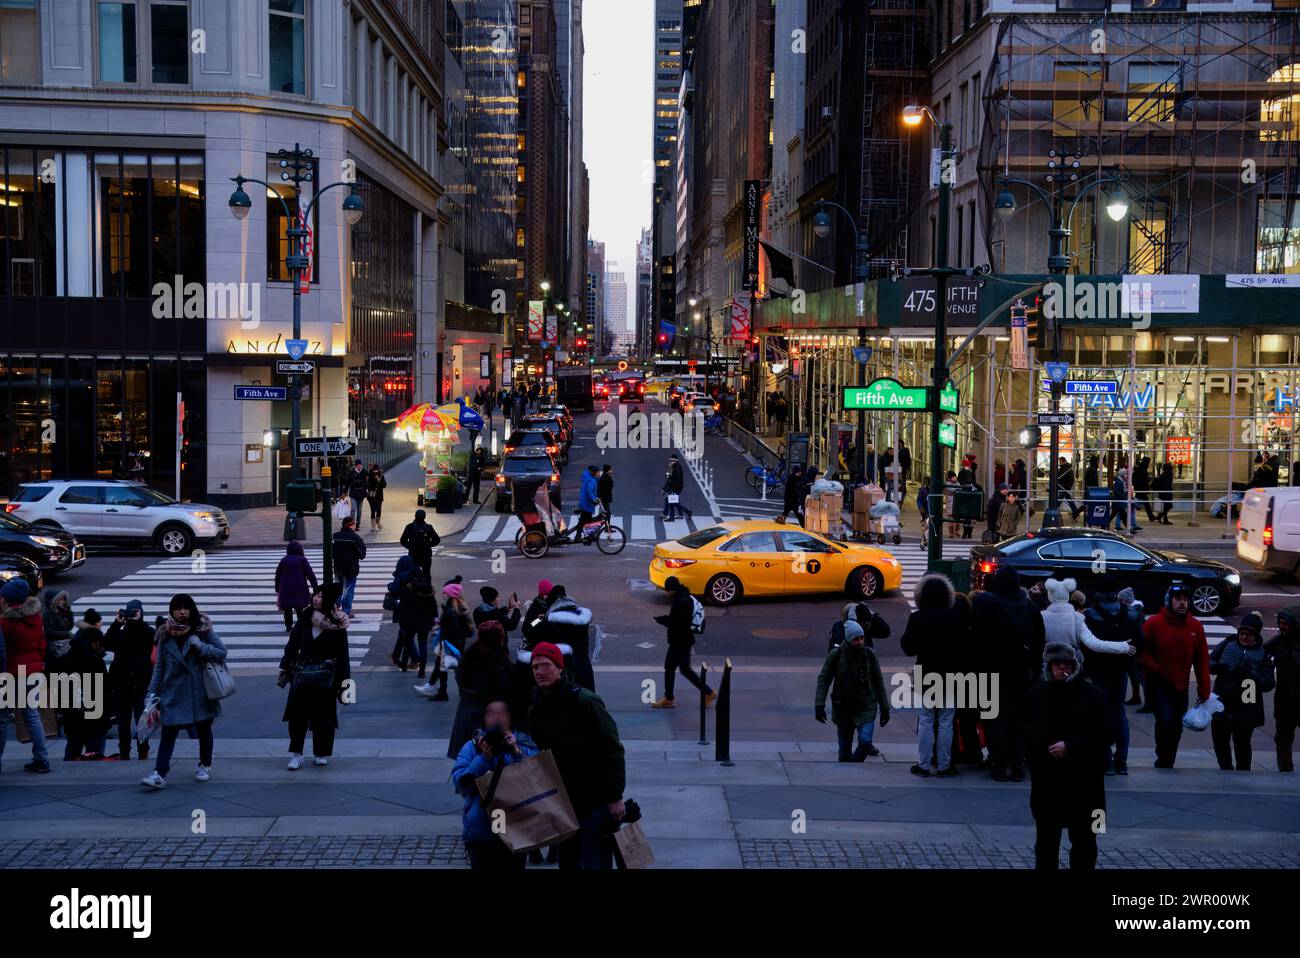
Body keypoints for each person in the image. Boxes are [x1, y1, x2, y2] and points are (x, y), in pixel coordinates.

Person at [1016, 641, 1116, 870]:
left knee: (1087, 840)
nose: (1063, 669)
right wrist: (1041, 745)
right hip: (1048, 781)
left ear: (1075, 665)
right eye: (1057, 665)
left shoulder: (1094, 695)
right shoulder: (1036, 694)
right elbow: (1021, 725)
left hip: (1086, 782)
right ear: (1049, 667)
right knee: (1046, 842)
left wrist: (1071, 746)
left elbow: (1107, 733)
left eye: (1067, 665)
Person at [527, 642, 626, 870]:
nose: (539, 672)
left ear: (559, 667)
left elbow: (612, 749)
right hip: (562, 802)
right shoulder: (536, 708)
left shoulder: (585, 701)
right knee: (568, 862)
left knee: (595, 862)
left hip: (594, 801)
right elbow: (540, 754)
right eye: (534, 667)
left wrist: (615, 796)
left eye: (545, 665)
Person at [140, 595, 228, 789]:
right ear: (171, 611)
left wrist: (201, 646)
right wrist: (152, 692)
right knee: (169, 731)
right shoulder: (165, 632)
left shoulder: (202, 628)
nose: (182, 612)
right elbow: (160, 666)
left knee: (204, 729)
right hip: (173, 690)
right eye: (177, 608)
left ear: (192, 609)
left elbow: (221, 652)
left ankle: (205, 765)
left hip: (199, 689)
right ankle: (159, 772)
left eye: (185, 608)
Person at [972, 566, 1044, 782]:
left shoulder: (985, 603)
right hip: (1021, 670)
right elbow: (1039, 641)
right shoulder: (1029, 606)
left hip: (991, 668)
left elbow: (976, 637)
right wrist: (1035, 667)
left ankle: (998, 764)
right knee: (1018, 720)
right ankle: (1018, 765)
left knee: (995, 719)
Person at [451, 698, 540, 870]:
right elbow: (461, 784)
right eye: (491, 713)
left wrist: (516, 752)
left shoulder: (523, 743)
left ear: (511, 717)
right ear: (483, 718)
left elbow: (537, 778)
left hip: (515, 826)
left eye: (502, 713)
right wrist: (483, 760)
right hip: (481, 829)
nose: (497, 718)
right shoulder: (472, 747)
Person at [900, 574, 967, 777]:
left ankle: (923, 764)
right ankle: (945, 765)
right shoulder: (956, 617)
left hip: (927, 672)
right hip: (951, 674)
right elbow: (965, 648)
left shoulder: (918, 617)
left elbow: (908, 647)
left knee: (926, 720)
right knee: (947, 721)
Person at [278, 584, 351, 770]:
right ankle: (297, 753)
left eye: (320, 596)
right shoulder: (305, 616)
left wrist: (346, 687)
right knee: (297, 716)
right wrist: (285, 666)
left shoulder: (338, 623)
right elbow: (293, 643)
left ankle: (321, 752)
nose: (316, 599)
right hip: (302, 672)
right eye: (315, 595)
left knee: (324, 716)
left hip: (327, 675)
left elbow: (344, 656)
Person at [1139, 583, 1210, 769]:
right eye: (1178, 599)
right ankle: (1163, 756)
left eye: (1185, 600)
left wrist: (1204, 689)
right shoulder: (1154, 624)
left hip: (1181, 684)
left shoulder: (1195, 626)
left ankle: (1168, 757)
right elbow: (1141, 651)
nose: (1182, 603)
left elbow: (1201, 660)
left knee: (1176, 725)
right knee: (1164, 719)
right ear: (1169, 601)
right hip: (1158, 682)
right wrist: (1156, 667)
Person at [1083, 575, 1143, 775]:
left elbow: (1087, 645)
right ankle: (1122, 761)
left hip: (1099, 669)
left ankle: (1105, 759)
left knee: (1101, 715)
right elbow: (1140, 641)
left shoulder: (1091, 614)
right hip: (1121, 668)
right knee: (1119, 714)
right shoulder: (1131, 614)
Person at [816, 618, 890, 762]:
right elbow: (824, 679)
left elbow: (878, 681)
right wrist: (819, 704)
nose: (860, 642)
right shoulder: (836, 655)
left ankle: (856, 765)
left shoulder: (869, 655)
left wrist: (885, 707)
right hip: (843, 706)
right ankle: (848, 771)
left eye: (862, 638)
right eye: (856, 639)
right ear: (849, 639)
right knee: (844, 751)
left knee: (865, 741)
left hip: (866, 704)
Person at [1208, 611, 1275, 771]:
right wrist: (1218, 667)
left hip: (1246, 706)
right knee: (1219, 741)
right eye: (1242, 633)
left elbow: (1268, 683)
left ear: (1256, 635)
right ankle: (1226, 768)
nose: (1244, 637)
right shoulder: (1228, 643)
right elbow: (1210, 662)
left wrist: (1252, 673)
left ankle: (1243, 772)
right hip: (1222, 702)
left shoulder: (1263, 654)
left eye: (1249, 635)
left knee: (1242, 743)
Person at [0, 578, 50, 773]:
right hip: (34, 670)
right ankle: (42, 758)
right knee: (31, 715)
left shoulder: (6, 622)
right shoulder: (35, 617)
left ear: (10, 600)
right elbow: (42, 644)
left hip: (13, 673)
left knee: (2, 719)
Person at [447, 620, 513, 759]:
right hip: (487, 718)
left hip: (465, 713)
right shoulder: (499, 661)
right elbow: (506, 690)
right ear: (500, 638)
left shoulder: (469, 656)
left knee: (467, 761)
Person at [650, 576, 715, 708]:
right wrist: (667, 619)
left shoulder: (682, 602)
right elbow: (679, 619)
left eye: (667, 590)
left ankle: (669, 698)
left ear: (672, 589)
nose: (666, 593)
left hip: (680, 641)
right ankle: (708, 692)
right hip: (684, 640)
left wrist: (664, 621)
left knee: (670, 668)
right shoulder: (682, 596)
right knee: (684, 669)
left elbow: (680, 623)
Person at [104, 599, 156, 761]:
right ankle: (124, 751)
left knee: (142, 721)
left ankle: (143, 750)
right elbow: (107, 643)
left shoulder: (146, 631)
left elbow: (153, 638)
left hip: (140, 683)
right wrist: (116, 623)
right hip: (122, 682)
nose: (133, 615)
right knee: (123, 722)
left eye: (136, 612)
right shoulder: (121, 632)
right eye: (130, 612)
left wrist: (137, 622)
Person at [61, 610, 110, 761]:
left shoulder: (67, 659)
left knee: (72, 750)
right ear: (95, 644)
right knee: (95, 753)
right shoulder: (96, 663)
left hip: (73, 715)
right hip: (95, 718)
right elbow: (105, 690)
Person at [540, 585, 595, 691]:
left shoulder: (552, 619)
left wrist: (538, 620)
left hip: (564, 667)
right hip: (583, 665)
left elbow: (534, 632)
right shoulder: (582, 616)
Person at [1267, 606, 1300, 772]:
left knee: (1283, 738)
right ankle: (1285, 771)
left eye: (1285, 623)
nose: (1281, 626)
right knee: (1282, 739)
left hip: (1295, 700)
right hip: (1284, 701)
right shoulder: (1280, 640)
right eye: (1280, 623)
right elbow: (1262, 650)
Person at [402, 569, 442, 686]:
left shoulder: (408, 589)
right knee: (422, 644)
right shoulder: (429, 589)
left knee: (408, 643)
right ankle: (422, 671)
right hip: (424, 622)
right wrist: (434, 620)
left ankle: (404, 664)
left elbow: (403, 607)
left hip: (410, 622)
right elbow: (433, 607)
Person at [274, 540, 317, 633]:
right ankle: (300, 625)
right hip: (299, 586)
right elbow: (310, 574)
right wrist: (315, 587)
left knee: (287, 608)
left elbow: (277, 575)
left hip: (286, 587)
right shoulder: (302, 560)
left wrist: (277, 588)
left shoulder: (284, 560)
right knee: (299, 607)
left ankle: (288, 626)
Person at [332, 516, 367, 616]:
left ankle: (335, 605)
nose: (355, 526)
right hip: (351, 568)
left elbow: (330, 551)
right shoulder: (355, 538)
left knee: (338, 587)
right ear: (350, 525)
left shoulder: (335, 536)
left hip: (338, 567)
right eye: (354, 524)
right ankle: (346, 611)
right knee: (348, 590)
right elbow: (362, 554)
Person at [41, 589, 75, 672]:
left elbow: (69, 627)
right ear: (53, 601)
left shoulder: (60, 611)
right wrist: (67, 634)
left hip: (63, 645)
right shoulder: (48, 614)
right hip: (55, 648)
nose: (62, 601)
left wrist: (69, 614)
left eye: (63, 599)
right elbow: (49, 632)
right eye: (60, 599)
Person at [663, 454, 687, 521]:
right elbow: (668, 477)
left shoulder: (677, 468)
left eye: (673, 460)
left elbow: (676, 480)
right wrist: (668, 471)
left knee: (671, 501)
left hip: (676, 487)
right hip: (675, 487)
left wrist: (672, 489)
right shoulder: (673, 467)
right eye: (670, 460)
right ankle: (685, 513)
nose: (671, 462)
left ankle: (671, 517)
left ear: (676, 461)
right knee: (673, 501)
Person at [1133, 456, 1156, 523]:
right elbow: (1142, 480)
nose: (1149, 464)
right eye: (1148, 462)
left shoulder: (1141, 468)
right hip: (1141, 489)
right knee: (1144, 503)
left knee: (1142, 502)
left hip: (1139, 488)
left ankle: (1151, 516)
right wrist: (1147, 479)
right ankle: (1151, 516)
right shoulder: (1142, 469)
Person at [1057, 457, 1082, 521]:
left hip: (1064, 487)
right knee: (1069, 500)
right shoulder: (1067, 467)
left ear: (1063, 461)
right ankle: (1076, 512)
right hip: (1065, 487)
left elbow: (1062, 478)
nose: (1059, 463)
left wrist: (1059, 483)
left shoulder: (1065, 468)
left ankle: (1053, 510)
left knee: (1059, 501)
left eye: (1060, 462)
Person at [578, 464, 599, 528]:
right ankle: (578, 536)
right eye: (597, 472)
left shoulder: (588, 478)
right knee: (586, 520)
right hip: (587, 503)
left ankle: (579, 535)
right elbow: (589, 491)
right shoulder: (590, 480)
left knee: (584, 520)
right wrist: (594, 499)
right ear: (593, 472)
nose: (598, 474)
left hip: (584, 502)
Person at [367, 464, 387, 530]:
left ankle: (378, 522)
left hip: (379, 496)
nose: (375, 472)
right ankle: (373, 526)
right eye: (374, 470)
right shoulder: (370, 475)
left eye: (376, 470)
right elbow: (368, 485)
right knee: (372, 510)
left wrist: (378, 479)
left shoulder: (381, 476)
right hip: (371, 495)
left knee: (379, 510)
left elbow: (384, 485)